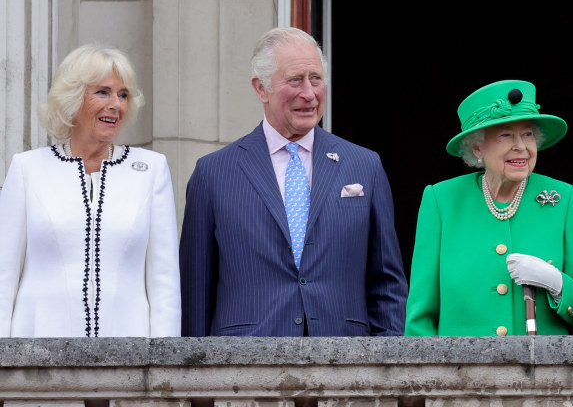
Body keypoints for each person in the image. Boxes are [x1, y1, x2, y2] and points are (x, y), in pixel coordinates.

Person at [180, 27, 408, 336]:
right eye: (295, 80)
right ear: (261, 89)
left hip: (345, 363)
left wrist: (386, 370)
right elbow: (196, 293)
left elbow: (387, 283)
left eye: (316, 78)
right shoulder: (213, 174)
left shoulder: (365, 166)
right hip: (244, 365)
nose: (309, 93)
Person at [0, 45, 180, 337]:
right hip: (38, 353)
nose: (116, 105)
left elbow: (164, 282)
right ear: (72, 98)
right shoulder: (27, 169)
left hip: (128, 356)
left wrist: (164, 367)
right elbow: (3, 276)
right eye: (103, 92)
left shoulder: (151, 169)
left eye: (123, 95)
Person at [406, 80, 573, 336]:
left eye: (528, 134)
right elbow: (419, 320)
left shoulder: (565, 199)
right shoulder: (441, 200)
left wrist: (557, 284)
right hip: (461, 372)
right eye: (506, 135)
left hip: (541, 371)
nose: (520, 146)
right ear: (477, 146)